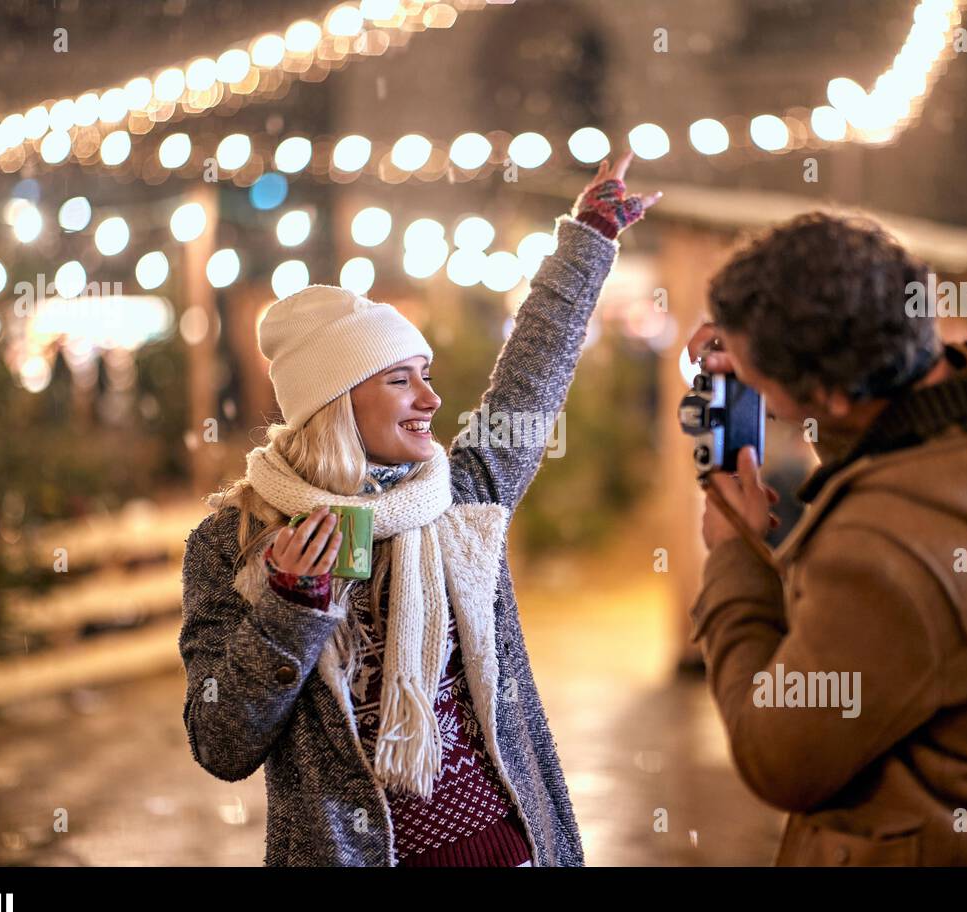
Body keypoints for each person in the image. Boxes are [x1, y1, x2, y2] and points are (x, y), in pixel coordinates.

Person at [178, 152, 661, 866]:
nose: (431, 400)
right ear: (335, 402)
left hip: (509, 851)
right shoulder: (232, 543)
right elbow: (221, 743)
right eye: (400, 380)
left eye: (427, 376)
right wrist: (290, 610)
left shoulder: (461, 496)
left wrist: (588, 238)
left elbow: (532, 374)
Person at [686, 211, 967, 865]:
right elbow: (896, 440)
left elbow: (776, 760)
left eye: (762, 383)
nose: (759, 396)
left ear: (830, 394)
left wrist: (735, 558)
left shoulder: (888, 554)